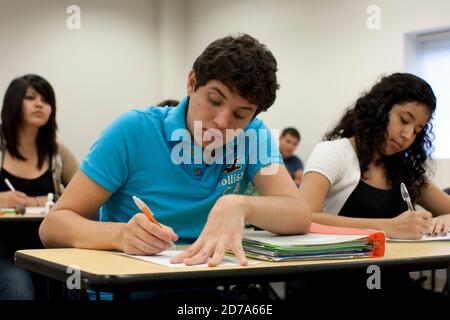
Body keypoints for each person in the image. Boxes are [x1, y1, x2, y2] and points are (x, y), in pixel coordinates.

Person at [39, 35, 311, 287]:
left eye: (240, 114)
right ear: (192, 83)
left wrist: (241, 205)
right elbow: (53, 226)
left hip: (206, 290)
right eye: (214, 100)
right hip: (129, 290)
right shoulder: (133, 130)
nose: (221, 122)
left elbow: (298, 216)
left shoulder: (254, 135)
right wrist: (119, 235)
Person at [295, 72, 450, 301]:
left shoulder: (403, 169)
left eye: (417, 130)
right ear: (381, 108)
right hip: (335, 287)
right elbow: (303, 217)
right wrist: (388, 227)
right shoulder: (334, 153)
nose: (407, 135)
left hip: (392, 285)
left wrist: (446, 218)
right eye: (404, 120)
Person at [0, 74, 79, 300]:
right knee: (18, 289)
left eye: (46, 100)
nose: (39, 105)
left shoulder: (57, 153)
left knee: (74, 283)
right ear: (13, 103)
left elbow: (84, 195)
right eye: (30, 97)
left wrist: (53, 201)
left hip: (50, 246)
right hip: (5, 248)